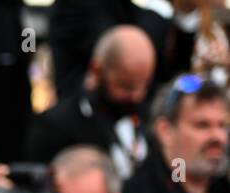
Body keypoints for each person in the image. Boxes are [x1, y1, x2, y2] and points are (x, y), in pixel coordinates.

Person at [26, 26, 155, 181]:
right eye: (125, 86)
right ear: (97, 70)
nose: (137, 96)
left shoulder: (151, 119)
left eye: (144, 85)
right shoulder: (56, 127)